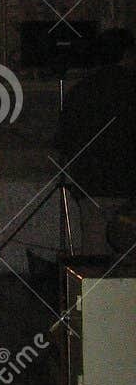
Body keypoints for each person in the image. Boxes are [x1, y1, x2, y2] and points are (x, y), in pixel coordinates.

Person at [58, 28, 136, 259]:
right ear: (127, 54)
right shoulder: (130, 87)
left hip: (91, 186)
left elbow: (64, 141)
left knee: (95, 258)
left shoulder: (80, 90)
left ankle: (95, 294)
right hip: (128, 186)